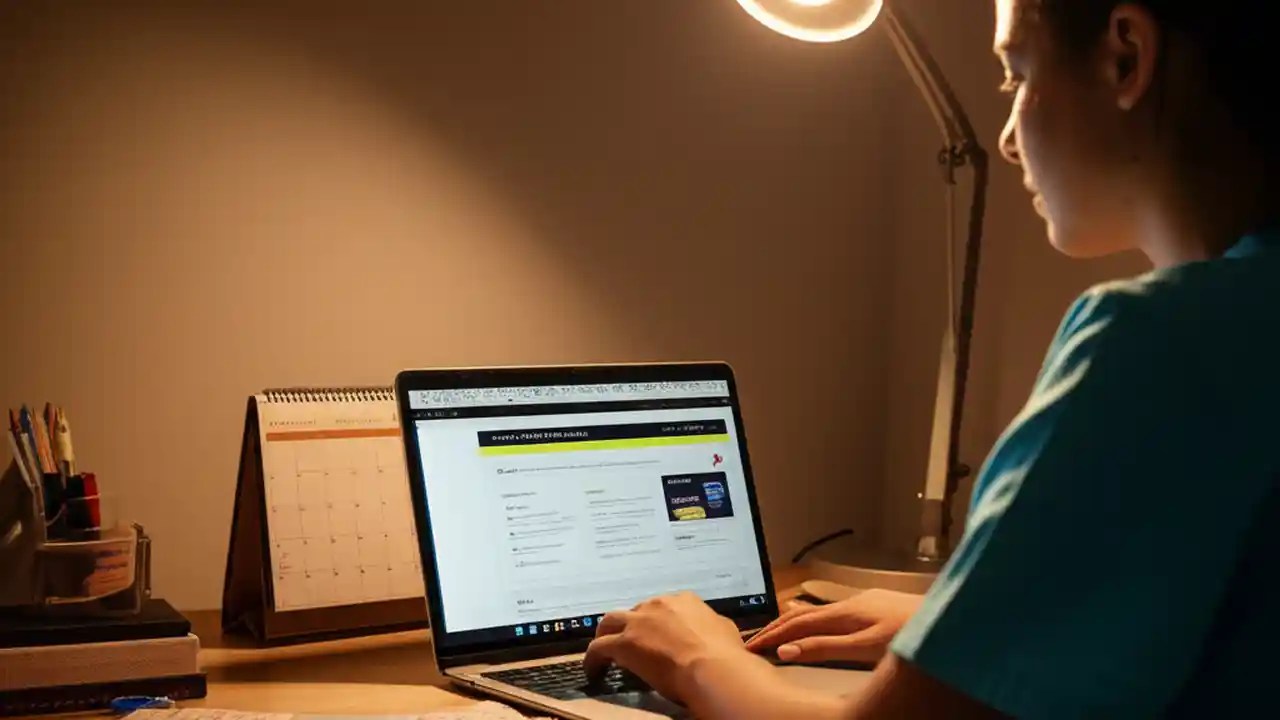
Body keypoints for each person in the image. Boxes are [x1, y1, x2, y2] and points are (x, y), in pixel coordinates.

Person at [583, 0, 1280, 716]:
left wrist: (698, 655)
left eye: (1014, 76)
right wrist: (952, 635)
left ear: (1125, 58)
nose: (1006, 140)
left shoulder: (1157, 348)